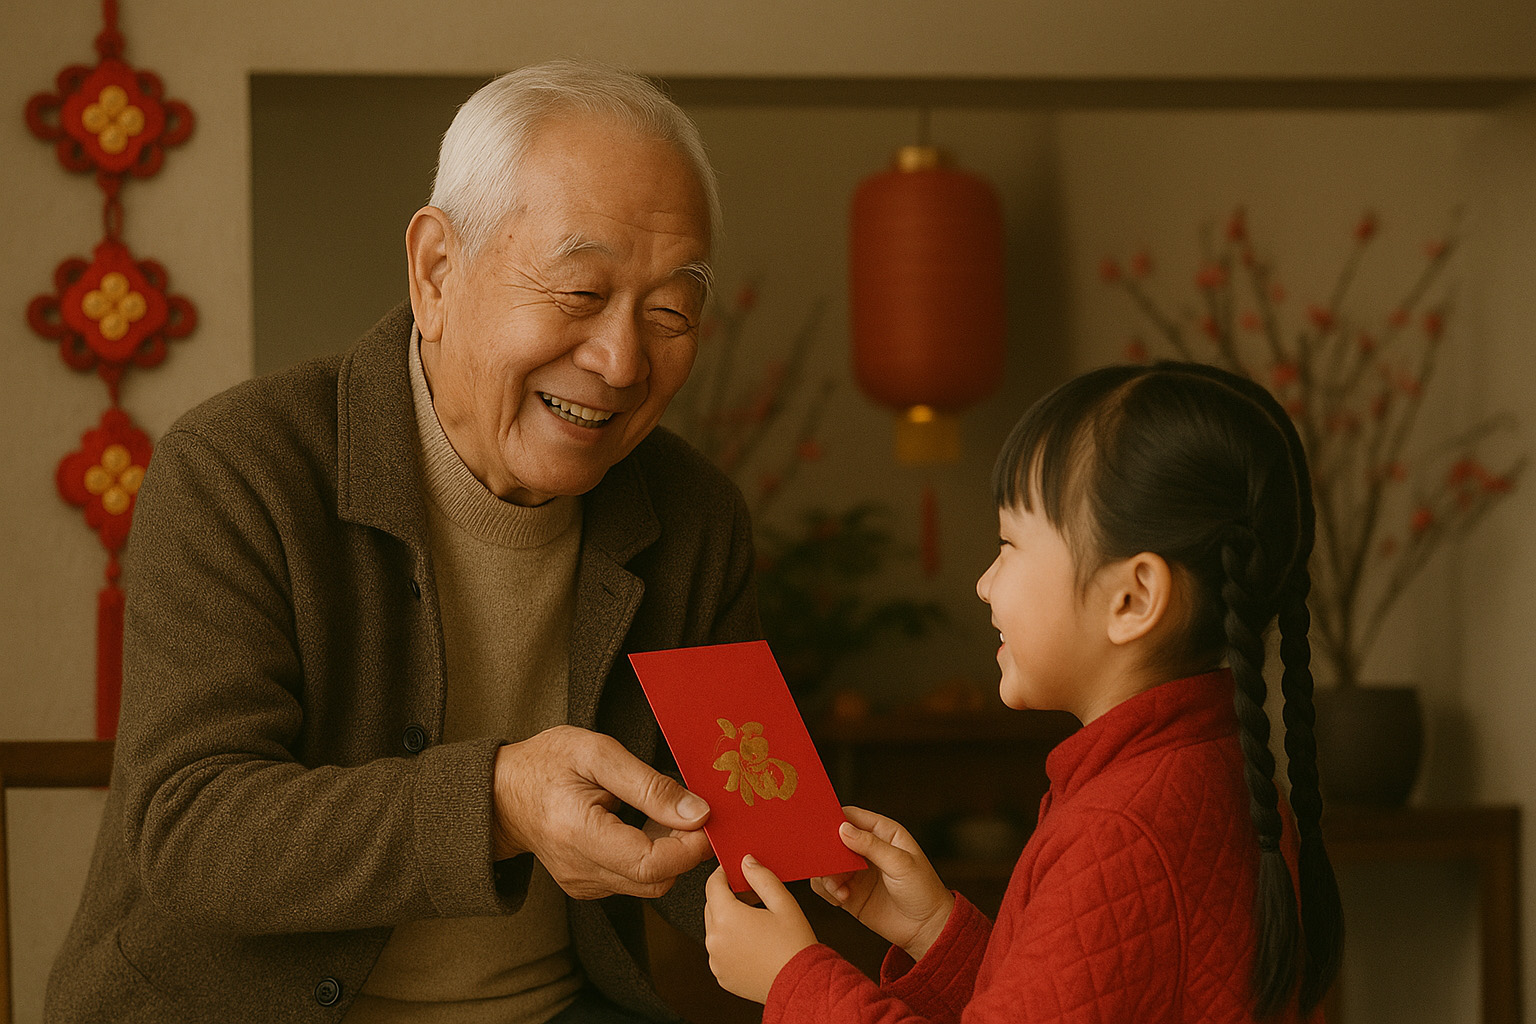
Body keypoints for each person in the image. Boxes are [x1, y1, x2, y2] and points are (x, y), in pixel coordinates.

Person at [47, 60, 757, 1024]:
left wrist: (794, 862)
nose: (622, 361)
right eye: (580, 293)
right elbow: (193, 831)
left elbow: (741, 807)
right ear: (436, 271)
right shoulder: (242, 469)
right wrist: (499, 803)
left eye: (670, 313)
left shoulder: (692, 517)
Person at [702, 361, 1345, 1022]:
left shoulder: (1118, 829)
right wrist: (934, 931)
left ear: (1133, 597)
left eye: (1010, 543)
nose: (985, 583)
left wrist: (792, 980)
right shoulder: (1205, 770)